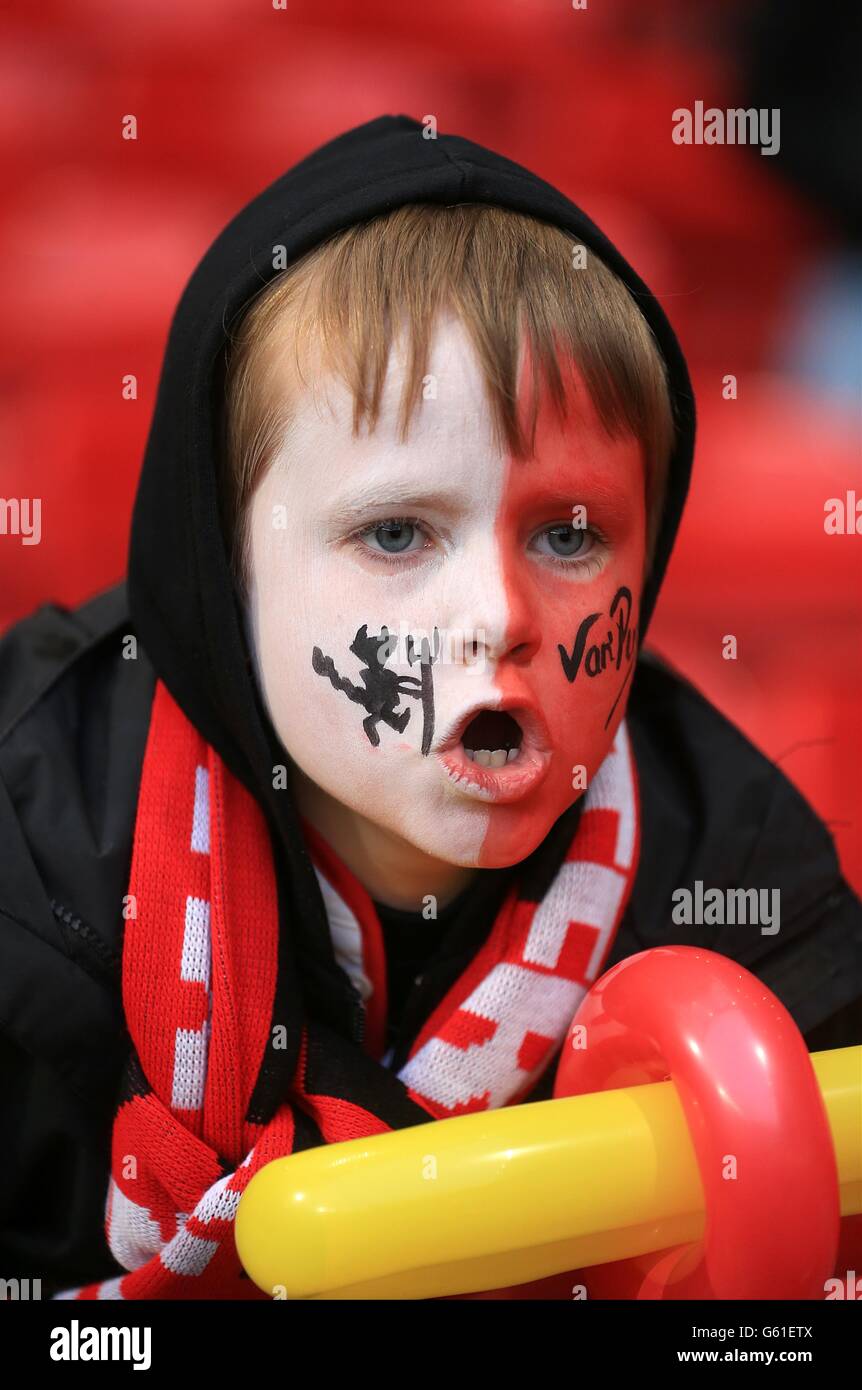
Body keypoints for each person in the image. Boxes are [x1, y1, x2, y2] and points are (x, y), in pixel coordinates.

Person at [0, 114, 859, 1301]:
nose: (498, 613)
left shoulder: (740, 865)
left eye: (569, 534)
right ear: (222, 564)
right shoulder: (28, 846)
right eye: (396, 532)